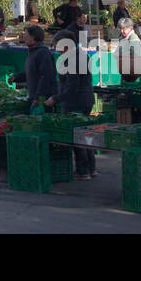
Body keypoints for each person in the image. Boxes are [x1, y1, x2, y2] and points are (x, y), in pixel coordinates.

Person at [48, 10, 97, 178]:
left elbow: (71, 88)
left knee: (76, 136)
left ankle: (83, 170)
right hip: (86, 98)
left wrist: (55, 99)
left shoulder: (73, 59)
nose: (57, 51)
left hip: (76, 101)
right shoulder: (81, 55)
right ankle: (91, 168)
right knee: (84, 134)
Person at [12, 25, 57, 104]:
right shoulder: (32, 51)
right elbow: (32, 73)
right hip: (34, 96)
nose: (24, 37)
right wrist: (16, 77)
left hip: (44, 100)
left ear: (33, 37)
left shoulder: (43, 53)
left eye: (26, 35)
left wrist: (39, 97)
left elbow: (45, 76)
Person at [117, 17, 141, 82]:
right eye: (120, 29)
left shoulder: (134, 38)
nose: (121, 31)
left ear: (130, 28)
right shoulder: (122, 37)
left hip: (133, 72)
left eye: (124, 29)